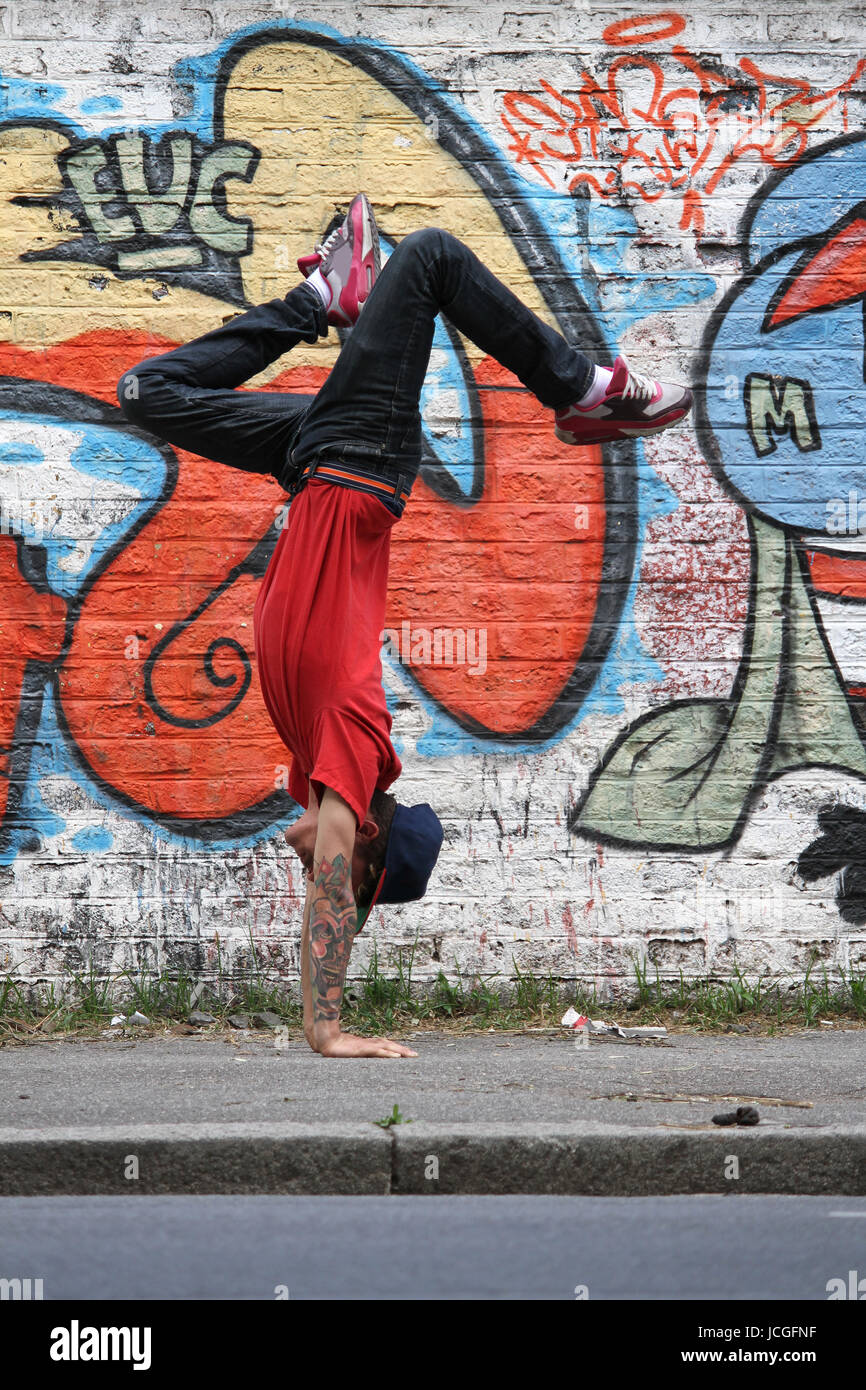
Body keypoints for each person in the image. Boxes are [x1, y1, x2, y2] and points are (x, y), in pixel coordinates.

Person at [117, 193, 692, 1058]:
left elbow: (333, 853)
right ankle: (582, 391)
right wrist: (326, 1027)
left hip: (311, 465)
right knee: (428, 256)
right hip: (360, 455)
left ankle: (320, 306)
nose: (307, 863)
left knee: (147, 392)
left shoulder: (310, 761)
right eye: (327, 866)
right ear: (366, 840)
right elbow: (336, 878)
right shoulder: (354, 740)